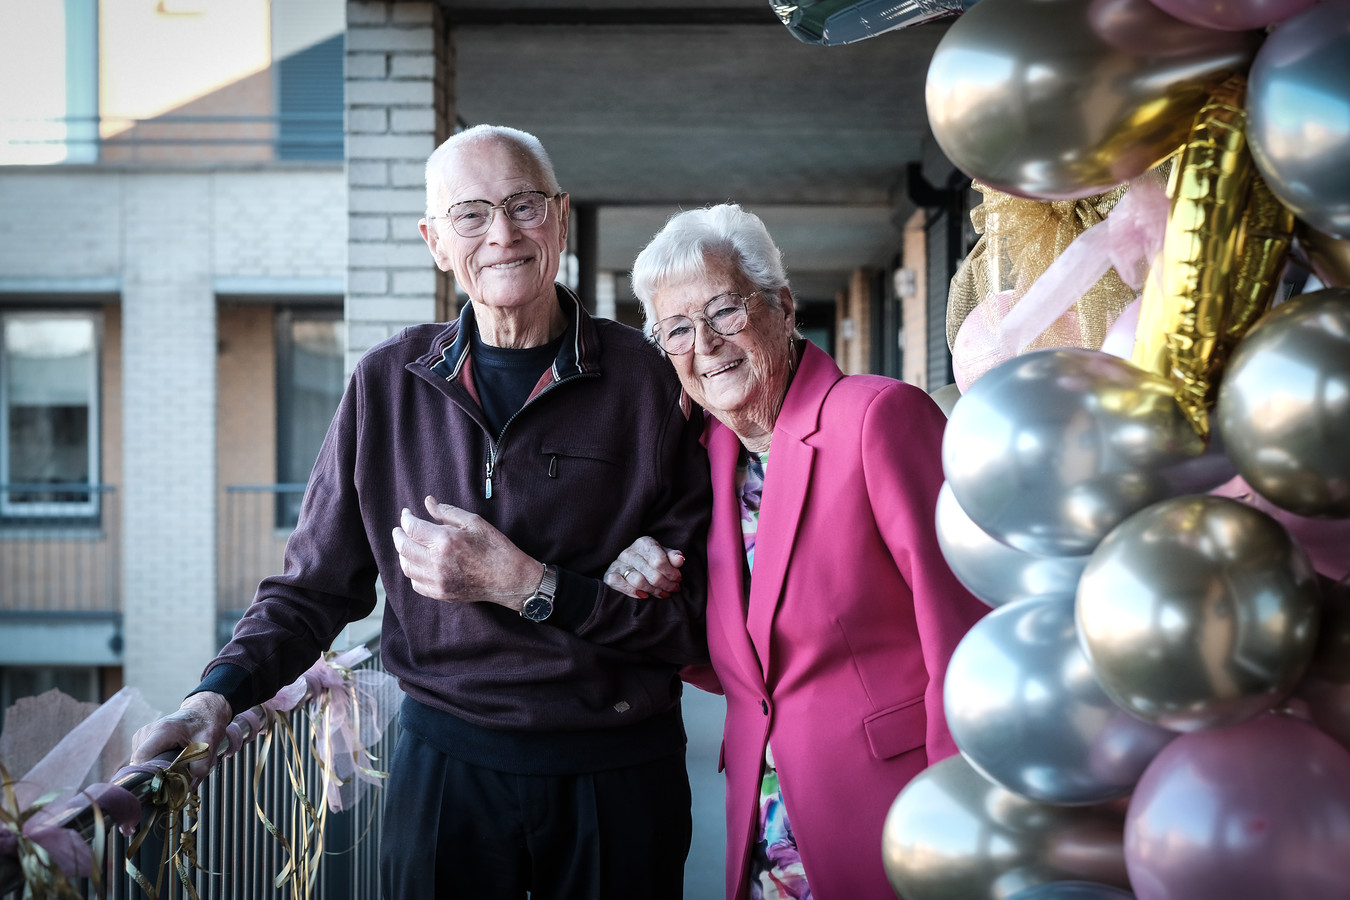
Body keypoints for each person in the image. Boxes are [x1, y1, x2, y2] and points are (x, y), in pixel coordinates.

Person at [131, 124, 713, 900]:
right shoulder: (386, 386)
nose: (502, 234)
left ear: (561, 218)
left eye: (523, 205)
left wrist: (527, 584)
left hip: (617, 768)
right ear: (436, 241)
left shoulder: (649, 378)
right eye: (470, 215)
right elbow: (313, 589)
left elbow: (693, 620)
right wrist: (218, 694)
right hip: (446, 766)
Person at [614, 203, 989, 900]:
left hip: (893, 811)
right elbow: (750, 667)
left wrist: (959, 816)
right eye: (677, 329)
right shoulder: (711, 461)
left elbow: (963, 635)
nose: (706, 344)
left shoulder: (878, 419)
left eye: (724, 311)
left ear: (782, 308)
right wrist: (651, 581)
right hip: (767, 832)